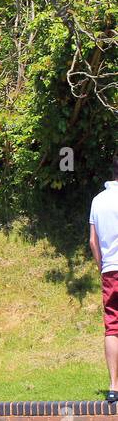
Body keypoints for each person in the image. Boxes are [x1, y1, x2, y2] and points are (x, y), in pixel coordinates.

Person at [89, 158, 118, 403]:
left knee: (112, 327)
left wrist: (102, 267)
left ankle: (113, 387)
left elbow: (92, 241)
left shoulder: (98, 200)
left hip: (110, 270)